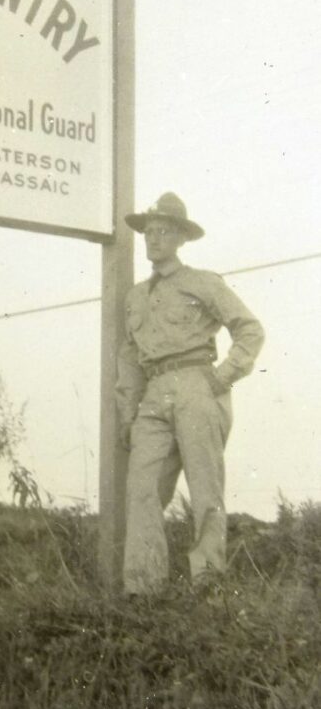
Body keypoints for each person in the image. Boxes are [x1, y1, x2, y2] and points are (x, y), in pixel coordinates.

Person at [115, 192, 264, 594]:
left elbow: (250, 329)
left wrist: (222, 377)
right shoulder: (135, 297)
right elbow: (129, 358)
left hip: (198, 384)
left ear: (181, 238)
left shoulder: (202, 282)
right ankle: (143, 591)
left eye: (163, 231)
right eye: (149, 231)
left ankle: (208, 586)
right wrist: (129, 413)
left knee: (205, 489)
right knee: (142, 489)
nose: (154, 238)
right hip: (153, 394)